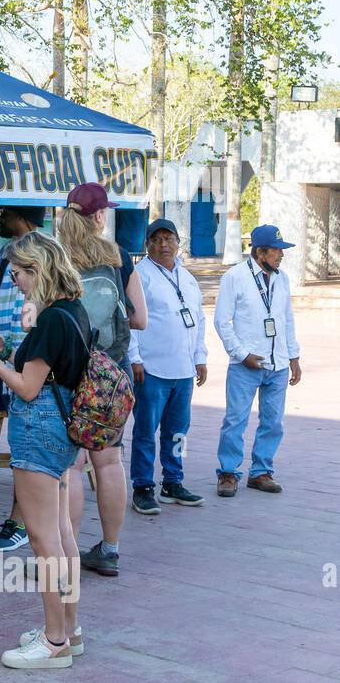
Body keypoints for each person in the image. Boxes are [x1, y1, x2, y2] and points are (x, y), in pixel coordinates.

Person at [0, 232, 89, 668]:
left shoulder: (50, 319)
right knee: (63, 535)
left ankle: (54, 640)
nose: (14, 283)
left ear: (37, 270)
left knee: (43, 541)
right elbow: (49, 367)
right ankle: (69, 629)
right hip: (62, 428)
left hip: (38, 429)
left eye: (17, 274)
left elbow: (26, 385)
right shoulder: (70, 310)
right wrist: (9, 348)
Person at [57, 182, 147, 577]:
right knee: (109, 462)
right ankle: (109, 549)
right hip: (113, 372)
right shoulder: (119, 257)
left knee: (72, 467)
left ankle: (68, 553)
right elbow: (139, 319)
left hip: (73, 371)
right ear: (97, 217)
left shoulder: (57, 258)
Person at [214, 224, 302, 497]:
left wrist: (294, 356)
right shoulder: (235, 277)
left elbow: (286, 319)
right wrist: (242, 354)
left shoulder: (282, 279)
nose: (281, 256)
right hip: (246, 364)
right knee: (235, 420)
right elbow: (221, 321)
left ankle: (261, 471)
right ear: (260, 252)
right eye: (276, 251)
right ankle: (228, 473)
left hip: (277, 363)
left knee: (273, 421)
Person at [128, 219, 207, 514]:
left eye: (169, 239)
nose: (163, 245)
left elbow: (198, 320)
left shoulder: (187, 277)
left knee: (178, 432)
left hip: (184, 370)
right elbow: (131, 320)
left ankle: (173, 481)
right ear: (147, 244)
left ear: (178, 242)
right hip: (152, 370)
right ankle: (143, 487)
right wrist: (134, 357)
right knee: (146, 431)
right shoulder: (140, 275)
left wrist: (200, 357)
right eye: (157, 239)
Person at [0, 204, 47, 551]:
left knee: (27, 446)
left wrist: (7, 354)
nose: (0, 219)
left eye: (6, 213)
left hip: (27, 364)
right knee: (21, 441)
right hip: (12, 358)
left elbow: (32, 312)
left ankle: (22, 522)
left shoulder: (36, 255)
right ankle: (26, 520)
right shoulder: (8, 255)